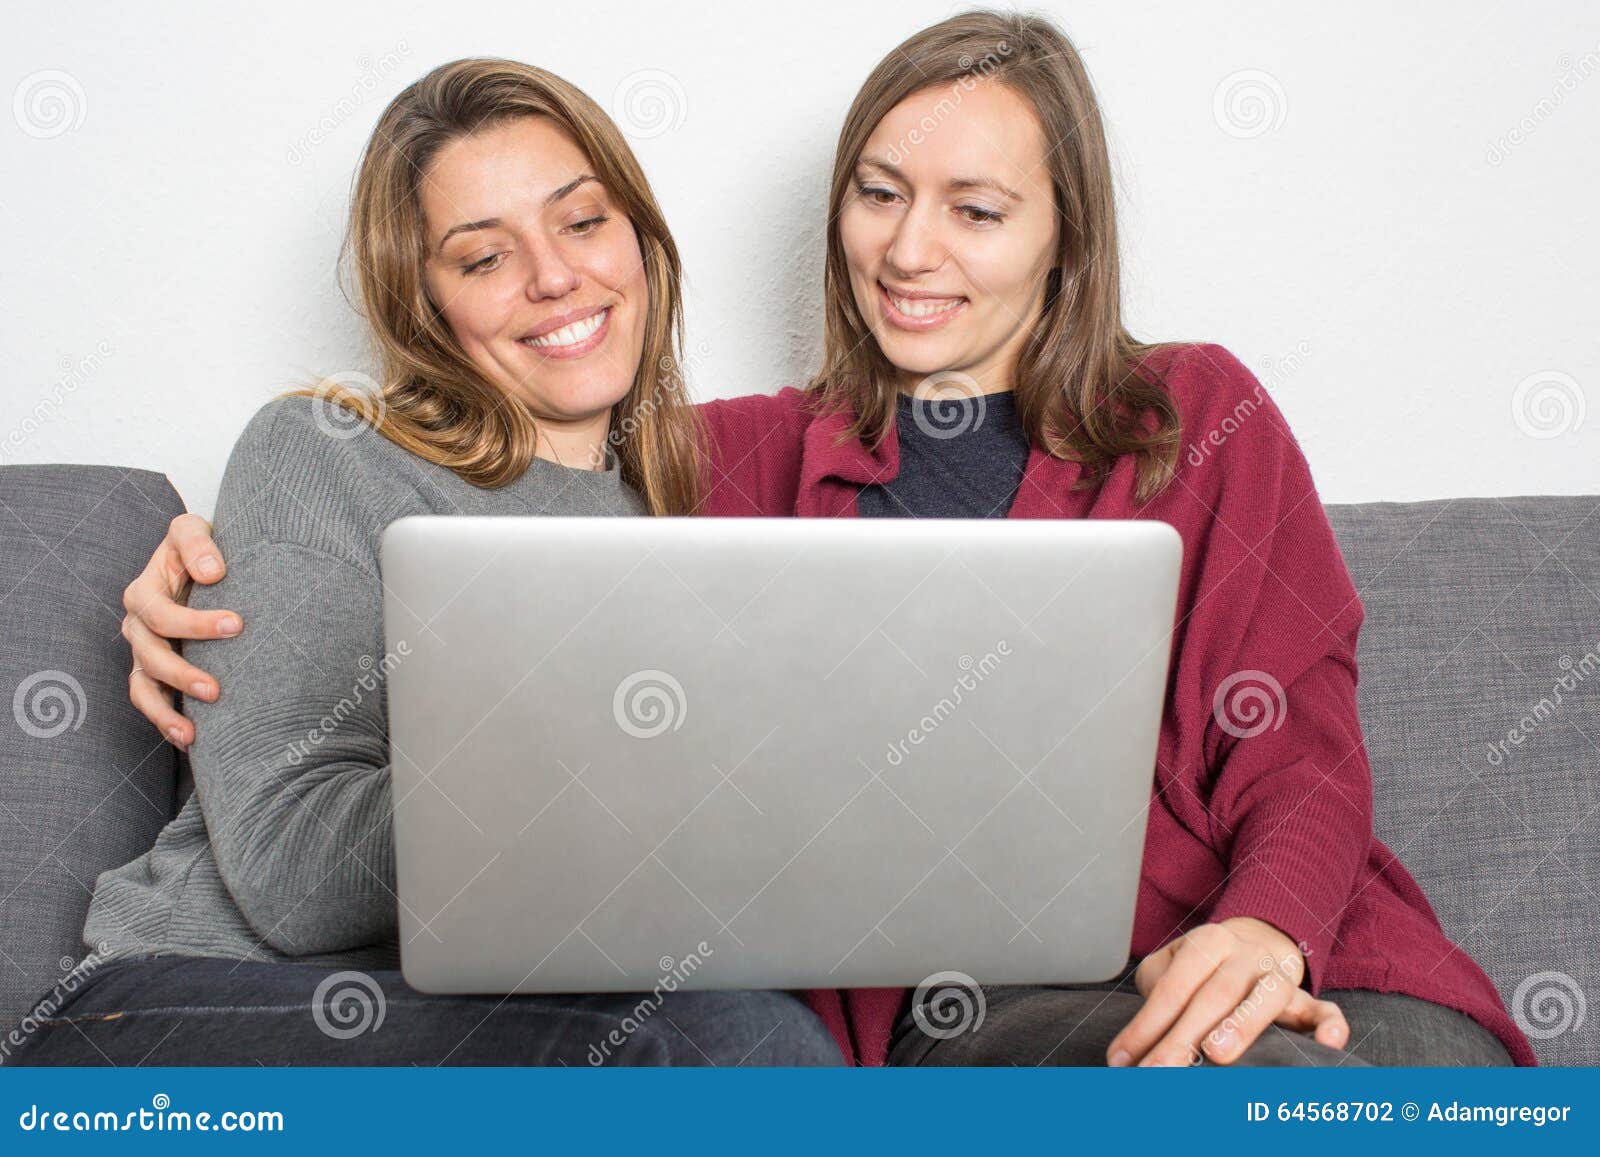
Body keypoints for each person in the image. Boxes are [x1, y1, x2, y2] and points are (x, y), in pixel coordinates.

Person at [108, 11, 1536, 1068]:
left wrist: (1266, 924)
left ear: (1066, 239)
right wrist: (209, 560)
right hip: (974, 1011)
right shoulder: (733, 464)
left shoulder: (1192, 415)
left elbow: (1301, 737)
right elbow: (447, 529)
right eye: (879, 192)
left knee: (1341, 1085)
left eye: (978, 210)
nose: (910, 252)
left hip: (1274, 944)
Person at [1, 57, 840, 1068]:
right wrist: (605, 777)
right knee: (735, 1040)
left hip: (502, 1011)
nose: (553, 276)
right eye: (482, 258)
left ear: (641, 240)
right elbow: (290, 873)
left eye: (582, 221)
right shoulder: (326, 450)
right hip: (174, 1006)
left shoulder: (694, 510)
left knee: (750, 1022)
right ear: (424, 302)